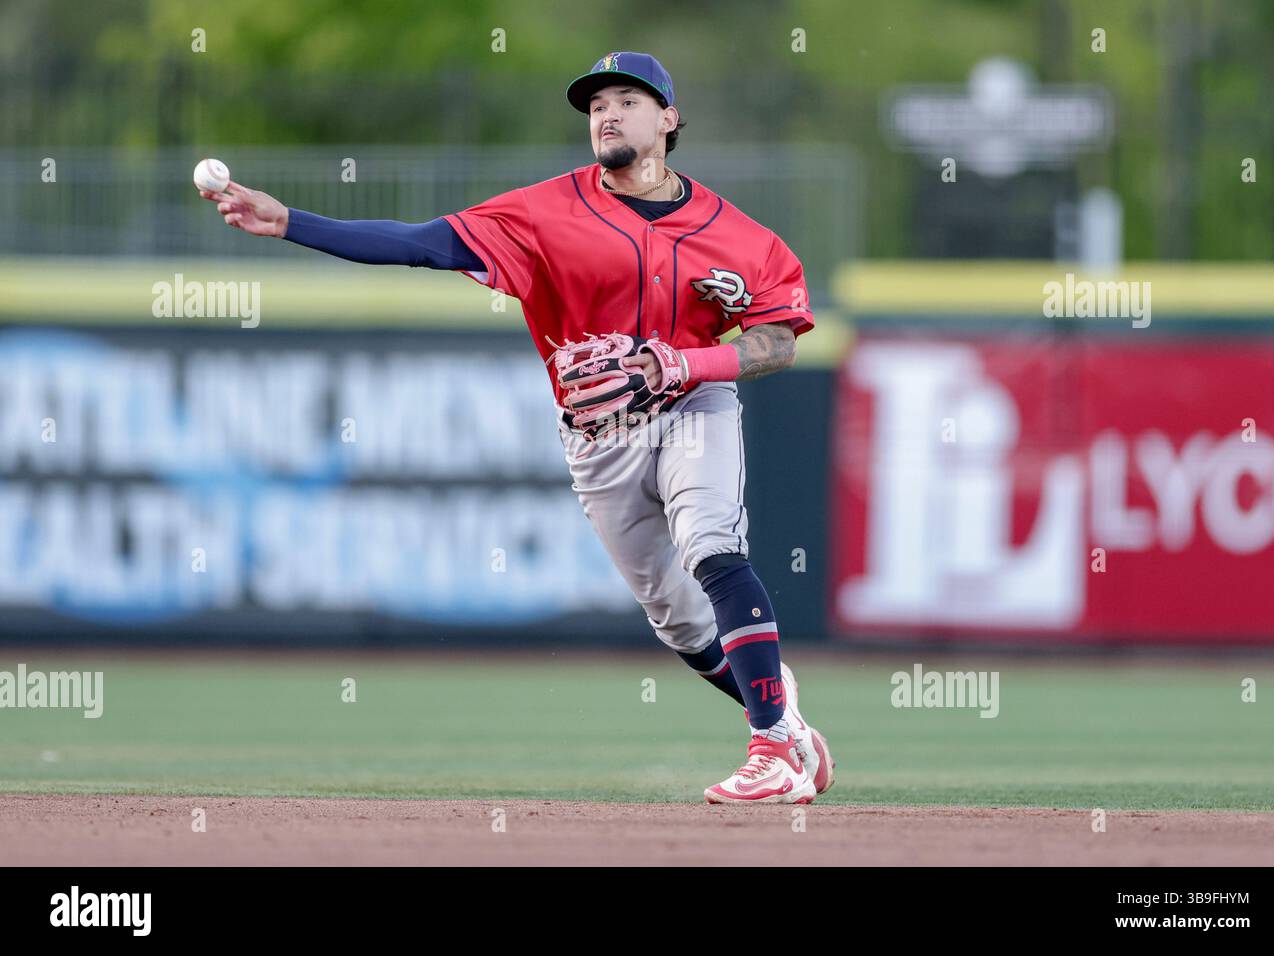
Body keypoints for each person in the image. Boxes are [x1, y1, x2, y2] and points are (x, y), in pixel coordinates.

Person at [199, 51, 834, 804]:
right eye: (595, 104)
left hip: (692, 409)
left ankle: (770, 751)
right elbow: (420, 243)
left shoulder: (741, 236)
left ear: (669, 118)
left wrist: (680, 366)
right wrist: (293, 223)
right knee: (678, 622)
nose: (606, 113)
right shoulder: (541, 212)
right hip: (597, 437)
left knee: (711, 544)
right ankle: (788, 722)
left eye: (627, 100)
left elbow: (778, 343)